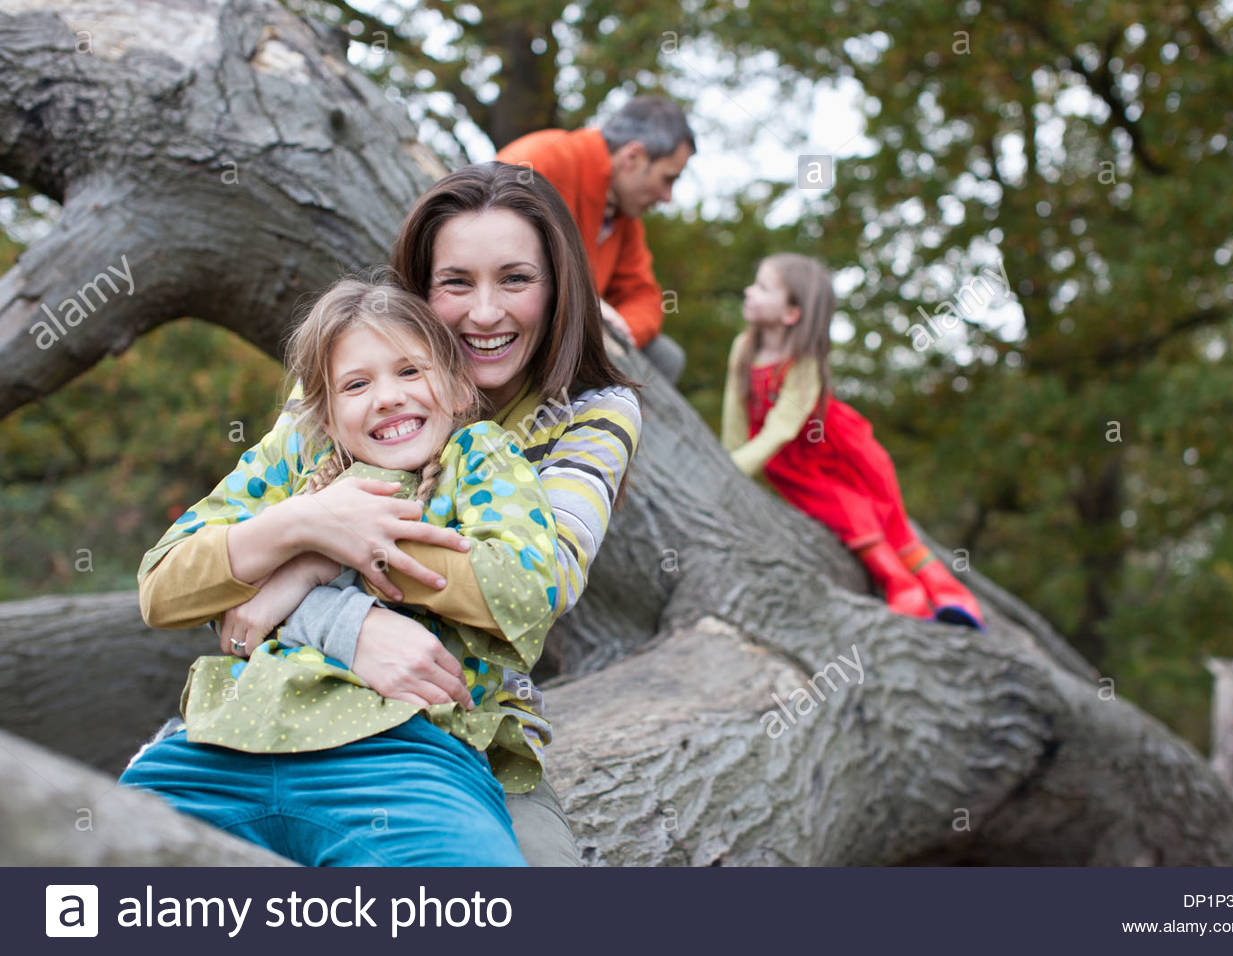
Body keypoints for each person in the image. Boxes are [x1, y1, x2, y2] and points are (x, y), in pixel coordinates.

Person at [129, 163, 642, 866]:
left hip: (438, 725)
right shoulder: (333, 408)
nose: (485, 313)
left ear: (557, 290)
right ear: (422, 292)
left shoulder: (572, 422)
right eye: (456, 282)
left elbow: (537, 584)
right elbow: (182, 588)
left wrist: (318, 559)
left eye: (516, 279)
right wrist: (311, 545)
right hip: (269, 711)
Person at [721, 253, 984, 629]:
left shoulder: (803, 362)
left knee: (887, 512)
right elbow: (736, 414)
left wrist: (737, 467)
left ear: (791, 314)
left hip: (835, 448)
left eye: (762, 287)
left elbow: (782, 427)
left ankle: (948, 592)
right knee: (849, 511)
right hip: (796, 464)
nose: (749, 291)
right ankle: (902, 587)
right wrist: (728, 459)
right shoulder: (743, 349)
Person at [498, 96, 694, 384]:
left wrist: (623, 328)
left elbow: (645, 296)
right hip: (512, 321)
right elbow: (491, 249)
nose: (667, 197)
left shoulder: (625, 219)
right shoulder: (543, 159)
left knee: (666, 357)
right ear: (632, 158)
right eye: (668, 179)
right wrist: (579, 302)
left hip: (571, 334)